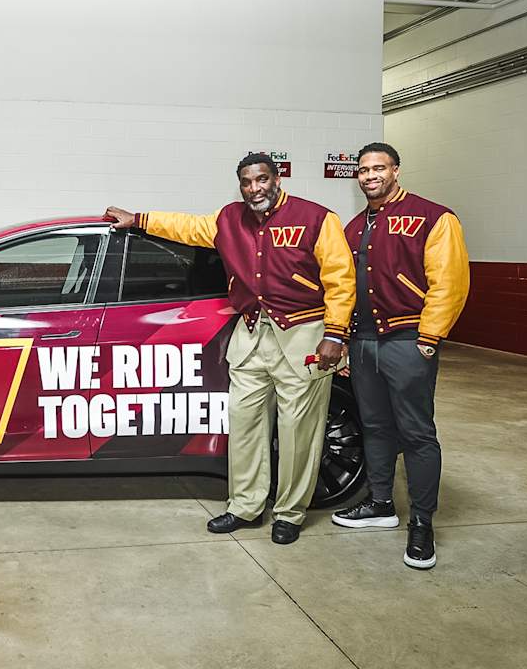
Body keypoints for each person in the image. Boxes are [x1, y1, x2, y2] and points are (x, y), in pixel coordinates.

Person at [105, 153, 354, 544]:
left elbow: (342, 279)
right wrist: (138, 219)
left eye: (262, 179)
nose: (255, 188)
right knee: (244, 424)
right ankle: (245, 506)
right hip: (252, 335)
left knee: (297, 431)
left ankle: (290, 513)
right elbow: (187, 227)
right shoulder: (228, 218)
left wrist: (336, 334)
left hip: (303, 336)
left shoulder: (317, 218)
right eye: (246, 182)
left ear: (277, 179)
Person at [330, 142, 469, 570]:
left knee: (417, 433)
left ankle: (422, 523)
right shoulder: (354, 227)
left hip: (408, 341)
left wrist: (429, 337)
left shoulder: (433, 217)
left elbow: (449, 282)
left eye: (379, 168)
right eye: (363, 170)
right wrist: (345, 339)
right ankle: (381, 503)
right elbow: (344, 287)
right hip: (363, 342)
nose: (370, 175)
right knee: (375, 426)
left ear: (396, 171)